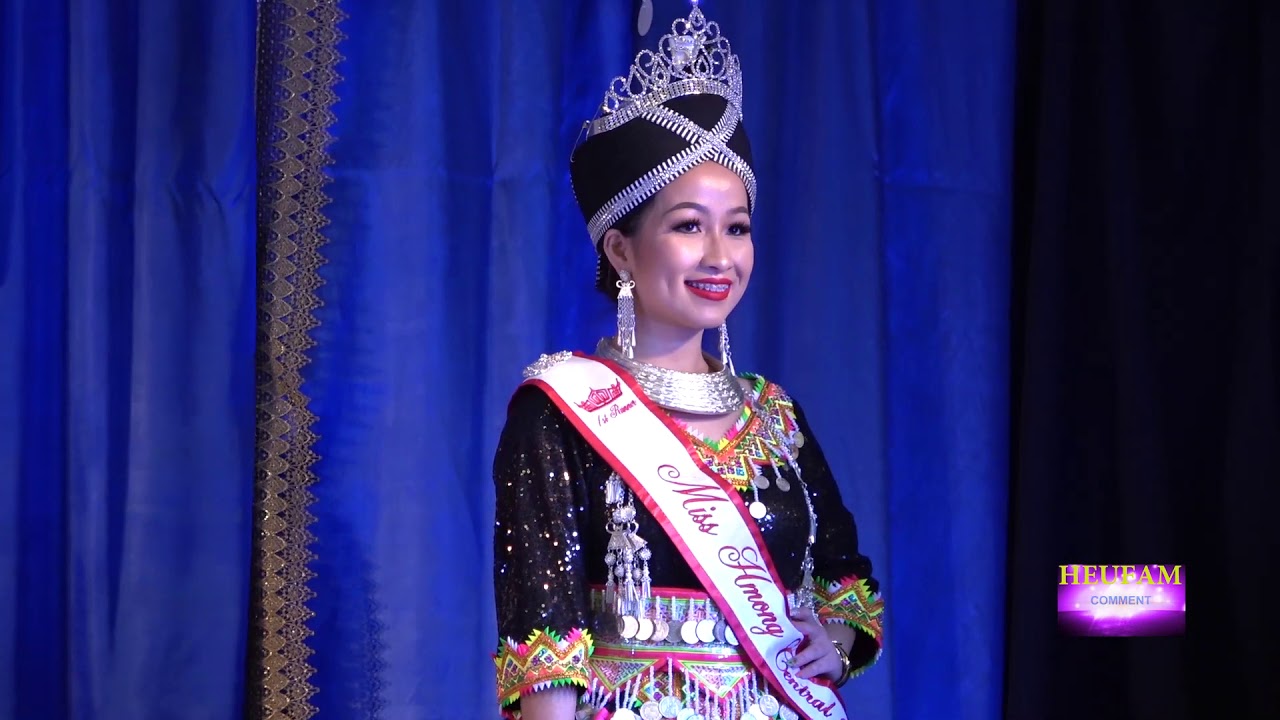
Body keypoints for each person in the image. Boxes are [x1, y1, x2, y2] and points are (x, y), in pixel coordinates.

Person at [491, 5, 884, 719]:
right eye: (687, 226)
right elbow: (543, 631)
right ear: (620, 250)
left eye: (736, 228)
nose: (719, 256)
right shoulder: (561, 413)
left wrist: (838, 636)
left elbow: (845, 581)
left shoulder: (775, 415)